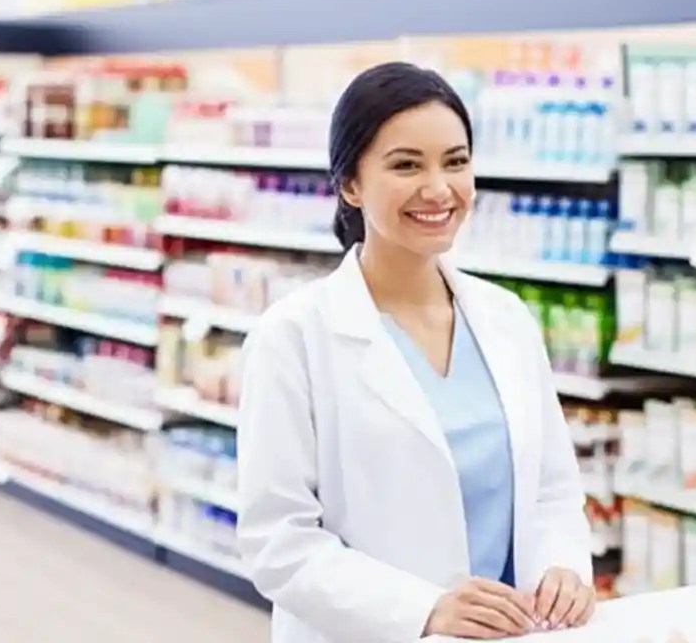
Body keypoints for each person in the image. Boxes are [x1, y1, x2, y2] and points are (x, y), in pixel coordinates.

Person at [236, 62, 595, 643]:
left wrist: (563, 569)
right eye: (406, 165)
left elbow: (553, 489)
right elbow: (278, 541)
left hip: (516, 632)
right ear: (350, 184)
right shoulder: (294, 337)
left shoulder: (506, 319)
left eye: (455, 161)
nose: (439, 188)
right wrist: (423, 610)